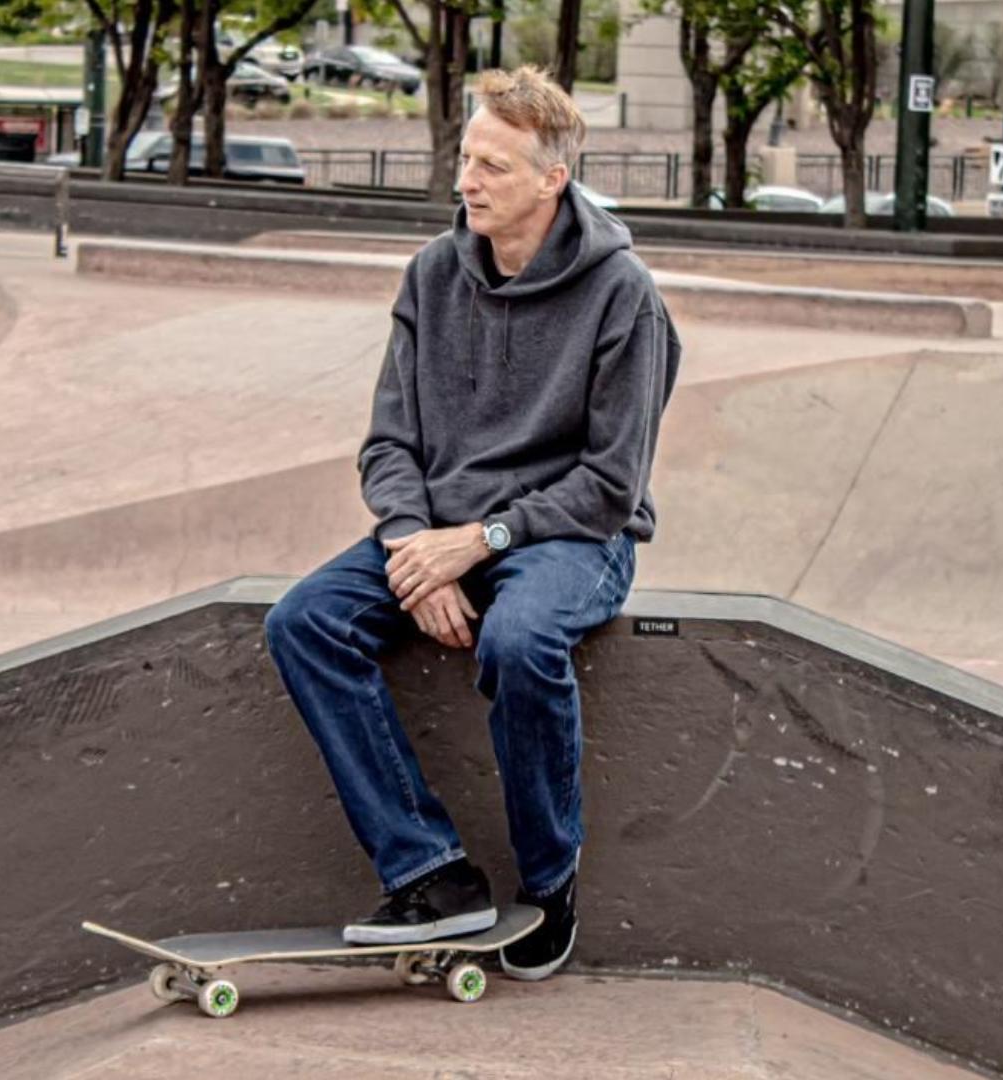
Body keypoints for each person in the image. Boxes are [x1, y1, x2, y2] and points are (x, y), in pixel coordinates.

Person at [263, 65, 681, 982]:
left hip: (574, 539)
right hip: (439, 534)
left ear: (551, 179)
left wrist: (481, 542)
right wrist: (420, 548)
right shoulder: (432, 275)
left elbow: (611, 484)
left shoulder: (623, 296)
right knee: (303, 622)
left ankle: (548, 882)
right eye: (466, 158)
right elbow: (387, 445)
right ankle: (430, 868)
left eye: (492, 165)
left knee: (522, 637)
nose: (468, 181)